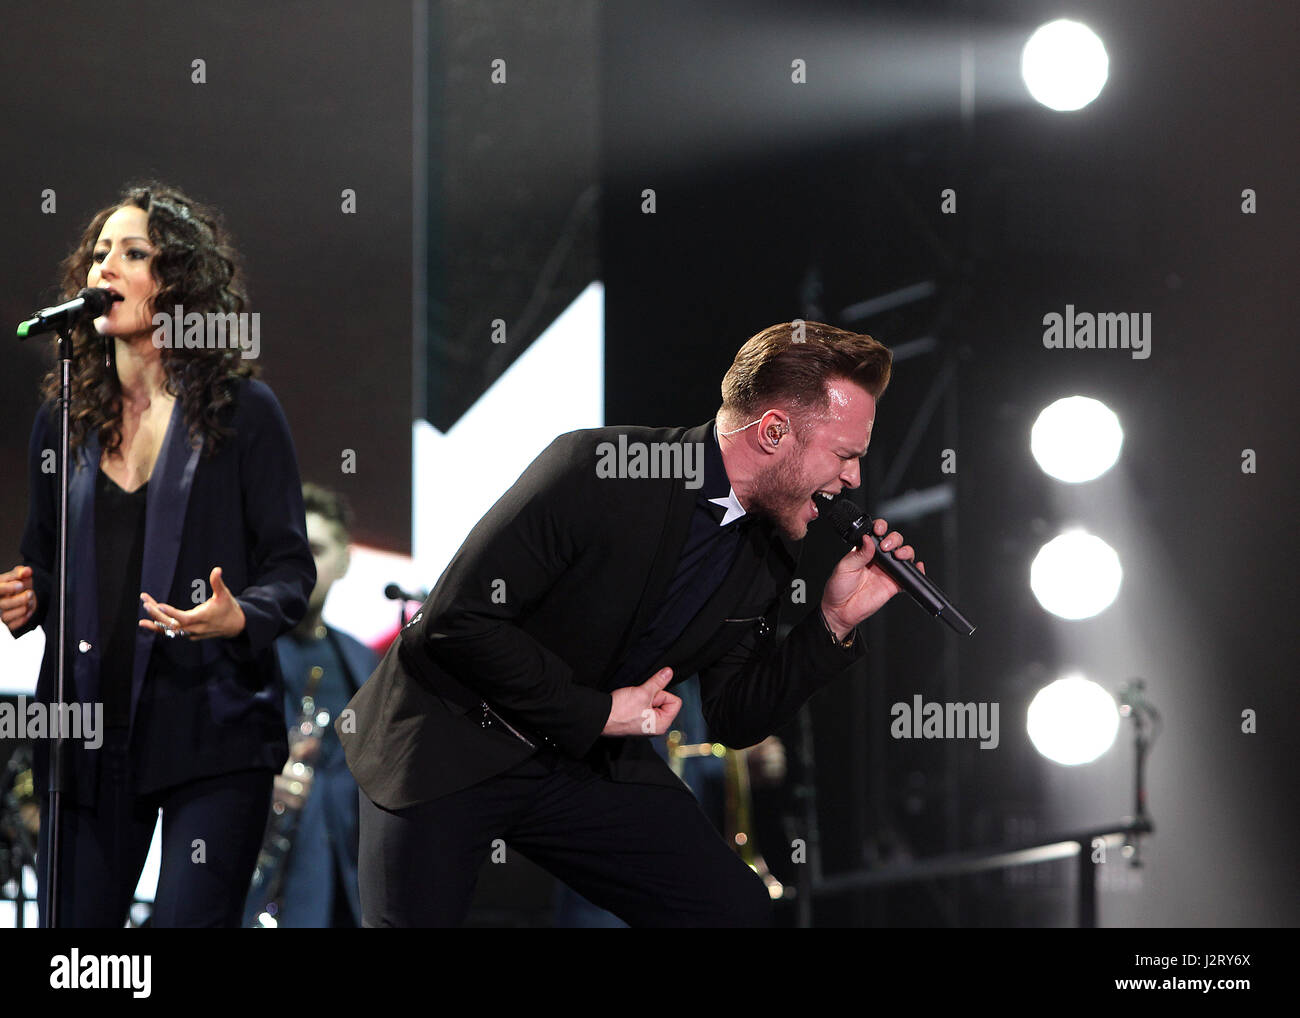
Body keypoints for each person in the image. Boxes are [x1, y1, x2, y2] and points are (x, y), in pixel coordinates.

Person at [341, 320, 924, 928]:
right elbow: (458, 623)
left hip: (581, 762)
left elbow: (734, 717)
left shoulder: (771, 544)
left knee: (736, 913)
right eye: (845, 455)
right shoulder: (598, 469)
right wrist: (597, 713)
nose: (854, 479)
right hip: (450, 737)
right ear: (775, 431)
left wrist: (830, 623)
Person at [0, 182, 314, 927]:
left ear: (179, 284)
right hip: (85, 731)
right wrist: (28, 594)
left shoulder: (240, 411)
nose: (106, 267)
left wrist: (239, 617)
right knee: (82, 963)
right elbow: (42, 562)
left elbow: (290, 570)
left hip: (209, 726)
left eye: (133, 253)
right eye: (100, 252)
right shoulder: (64, 420)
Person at [243, 483, 377, 928]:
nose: (303, 564)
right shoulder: (239, 652)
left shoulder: (366, 663)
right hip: (255, 884)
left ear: (345, 560)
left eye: (316, 549)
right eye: (291, 549)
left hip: (353, 886)